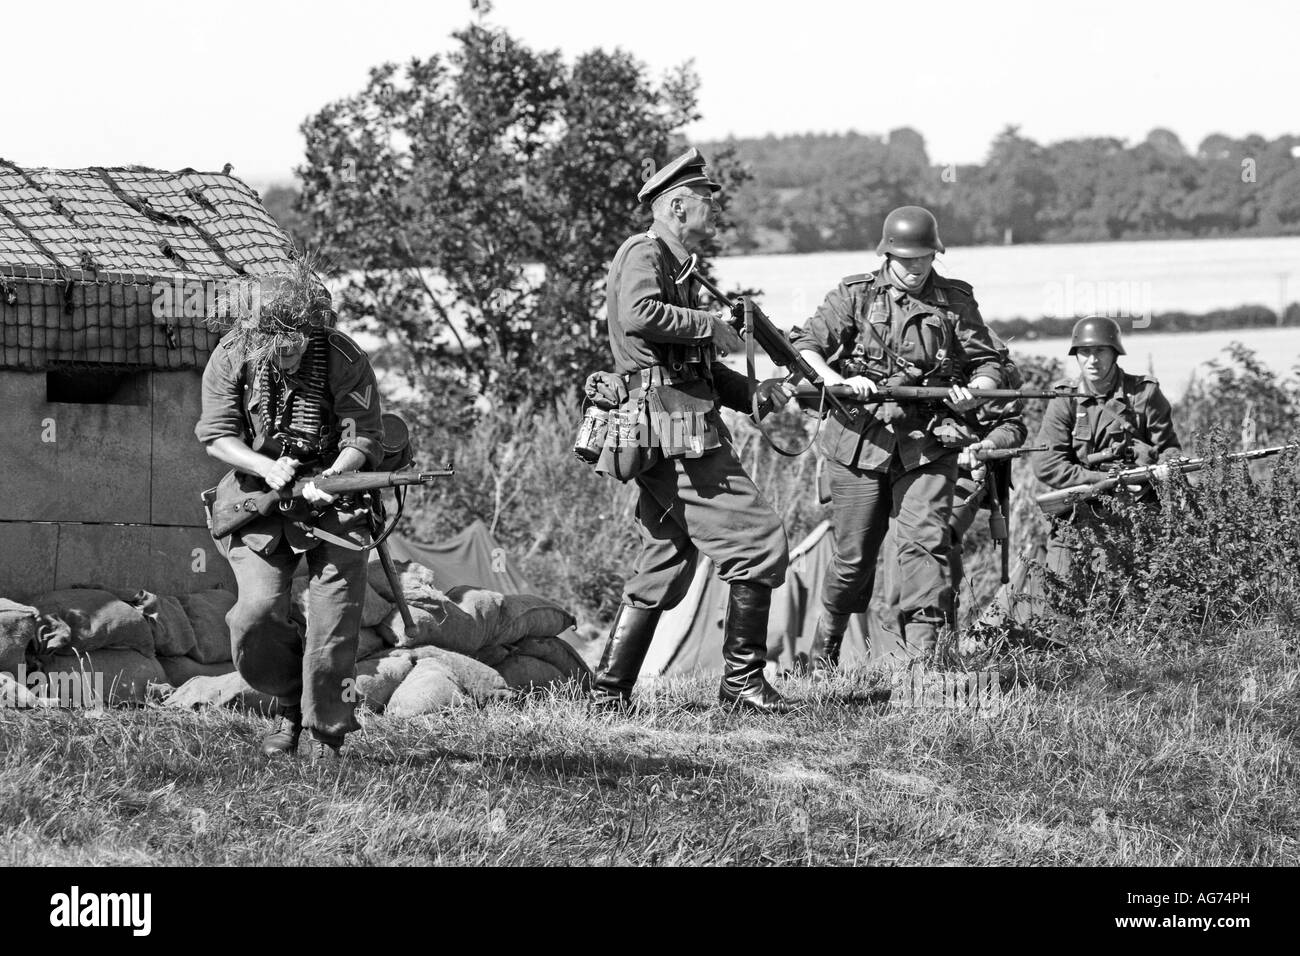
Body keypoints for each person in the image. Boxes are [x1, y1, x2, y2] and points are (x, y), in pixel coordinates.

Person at [589, 147, 796, 714]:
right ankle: (741, 685)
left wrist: (751, 393)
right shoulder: (643, 252)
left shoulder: (677, 264)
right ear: (677, 206)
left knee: (667, 553)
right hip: (672, 429)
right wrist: (712, 325)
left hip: (673, 420)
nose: (713, 210)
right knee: (757, 538)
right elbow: (637, 316)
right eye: (706, 200)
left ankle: (608, 696)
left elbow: (686, 365)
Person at [791, 205, 1005, 670]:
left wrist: (976, 393)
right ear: (887, 253)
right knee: (853, 559)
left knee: (925, 546)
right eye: (906, 258)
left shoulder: (954, 299)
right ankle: (823, 655)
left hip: (927, 443)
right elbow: (805, 345)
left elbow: (991, 363)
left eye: (924, 258)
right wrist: (832, 379)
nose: (915, 267)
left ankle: (923, 665)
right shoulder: (855, 295)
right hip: (858, 442)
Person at [195, 267, 384, 760]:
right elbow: (217, 435)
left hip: (334, 501)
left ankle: (327, 732)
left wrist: (332, 477)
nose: (290, 350)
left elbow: (362, 434)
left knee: (334, 620)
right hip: (260, 499)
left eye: (298, 340)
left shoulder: (343, 356)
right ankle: (287, 702)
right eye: (277, 343)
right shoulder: (231, 355)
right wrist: (266, 466)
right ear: (256, 337)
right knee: (254, 618)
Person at [872, 337, 1027, 654]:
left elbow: (1011, 424)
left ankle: (937, 650)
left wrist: (986, 445)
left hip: (963, 474)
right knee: (895, 566)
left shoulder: (985, 359)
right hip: (904, 472)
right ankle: (897, 659)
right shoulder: (896, 348)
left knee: (934, 541)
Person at [1033, 314, 1182, 576]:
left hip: (1138, 511)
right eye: (1084, 352)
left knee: (1145, 588)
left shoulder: (1144, 394)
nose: (1092, 360)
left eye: (1100, 351)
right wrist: (1105, 480)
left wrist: (1166, 468)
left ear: (1115, 353)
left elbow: (1169, 448)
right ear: (1076, 355)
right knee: (1063, 590)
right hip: (1079, 514)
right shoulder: (1065, 399)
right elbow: (1047, 465)